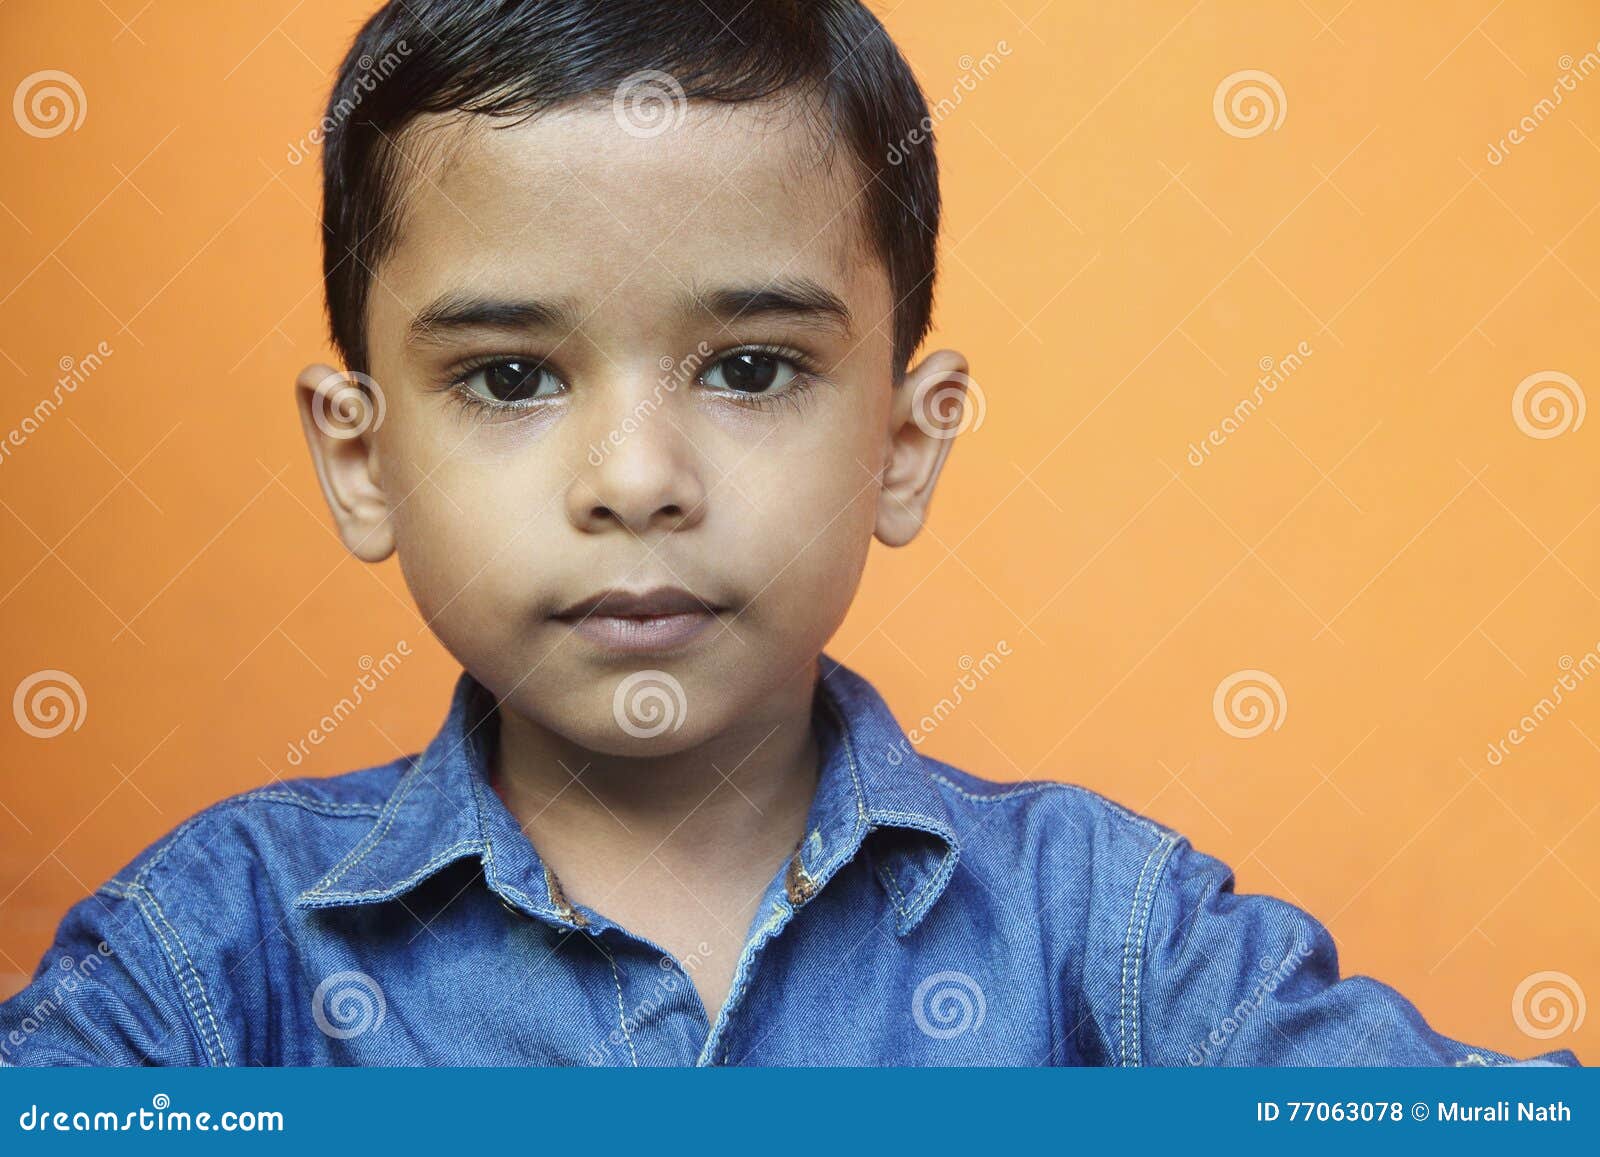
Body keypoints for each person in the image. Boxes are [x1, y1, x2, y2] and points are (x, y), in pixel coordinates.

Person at [0, 0, 1578, 1067]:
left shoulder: (1114, 937)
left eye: (751, 368)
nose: (635, 478)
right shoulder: (208, 965)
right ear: (362, 458)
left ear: (902, 438)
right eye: (509, 376)